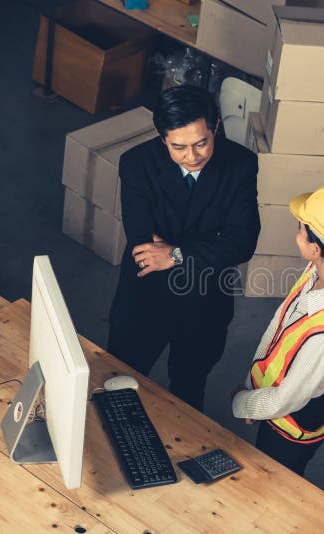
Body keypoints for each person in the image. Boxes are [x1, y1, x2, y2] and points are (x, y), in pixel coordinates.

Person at [108, 85, 260, 412]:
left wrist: (175, 254)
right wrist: (209, 247)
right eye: (178, 147)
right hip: (146, 296)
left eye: (201, 142)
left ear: (216, 126)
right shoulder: (136, 164)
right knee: (120, 382)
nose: (192, 156)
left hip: (205, 302)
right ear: (162, 138)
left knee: (189, 389)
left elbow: (242, 242)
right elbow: (143, 245)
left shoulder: (241, 165)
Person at [231, 183, 324, 476]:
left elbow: (288, 400)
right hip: (271, 410)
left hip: (289, 435)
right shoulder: (316, 273)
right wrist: (252, 389)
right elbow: (278, 328)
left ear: (315, 248)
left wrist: (242, 403)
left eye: (301, 229)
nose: (296, 234)